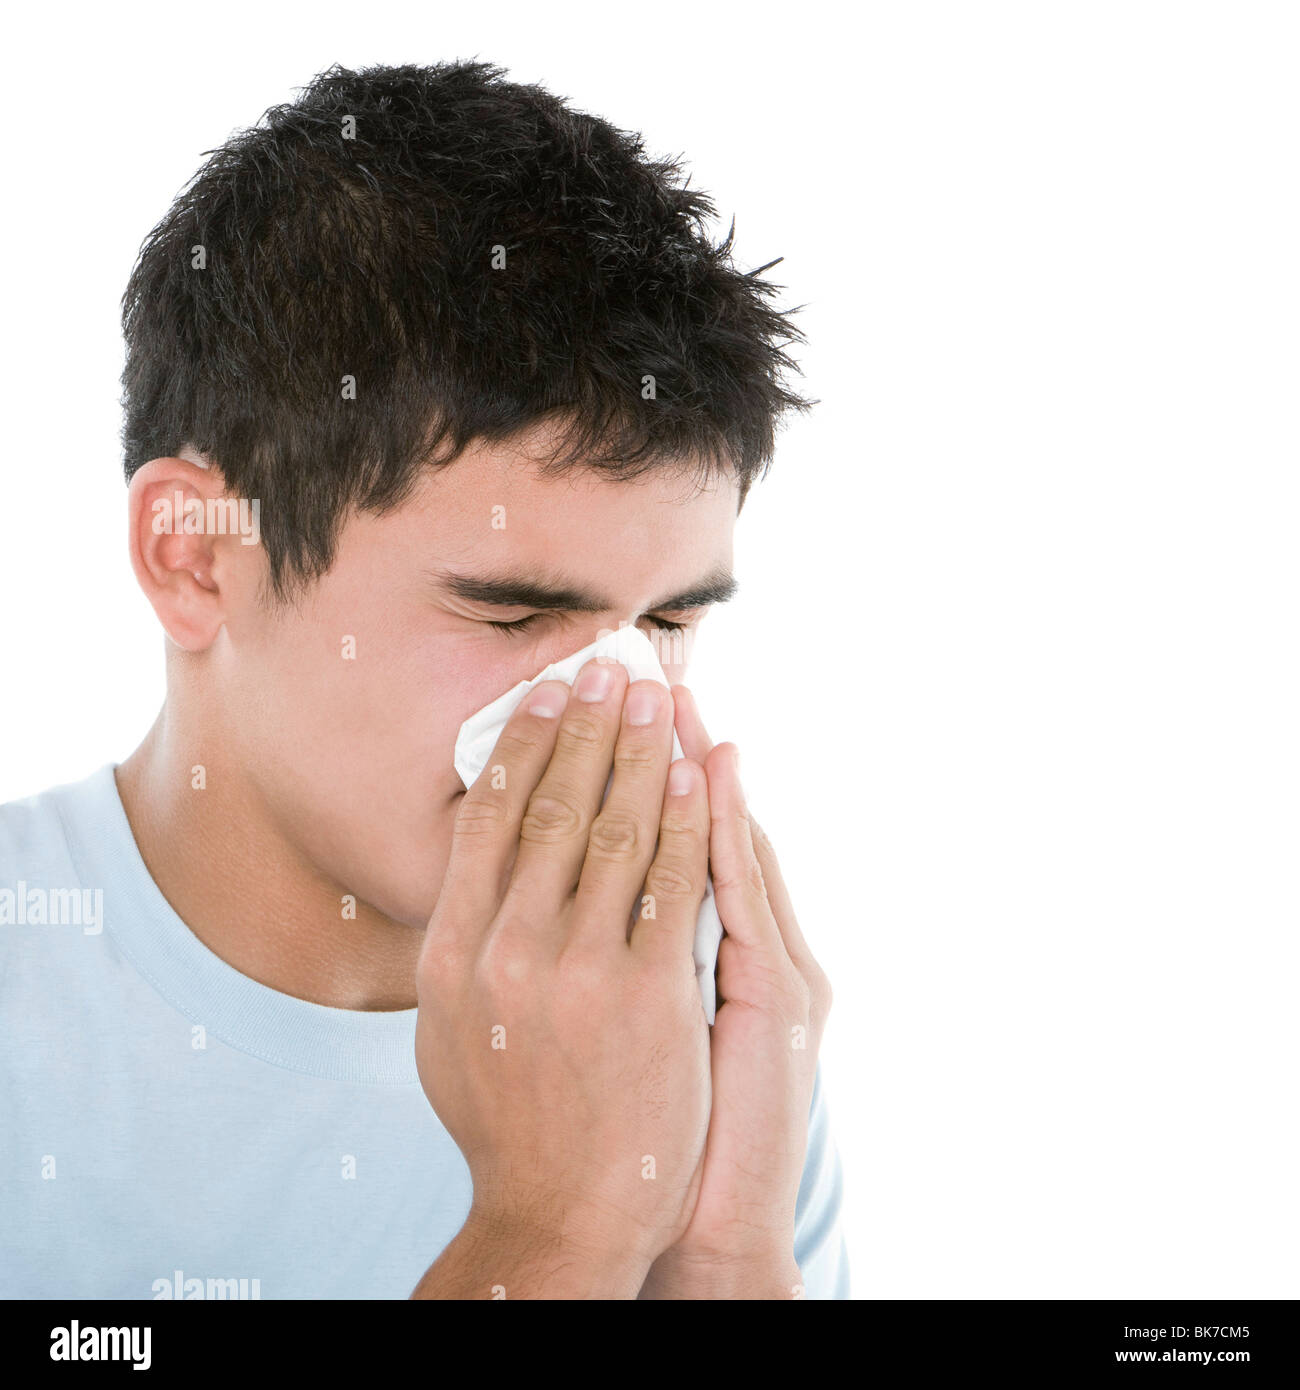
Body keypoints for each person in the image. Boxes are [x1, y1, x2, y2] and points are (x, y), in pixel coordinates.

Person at [0, 60, 848, 1299]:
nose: (615, 711)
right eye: (510, 609)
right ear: (196, 557)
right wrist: (555, 1232)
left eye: (666, 619)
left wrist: (719, 1253)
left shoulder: (703, 1025)